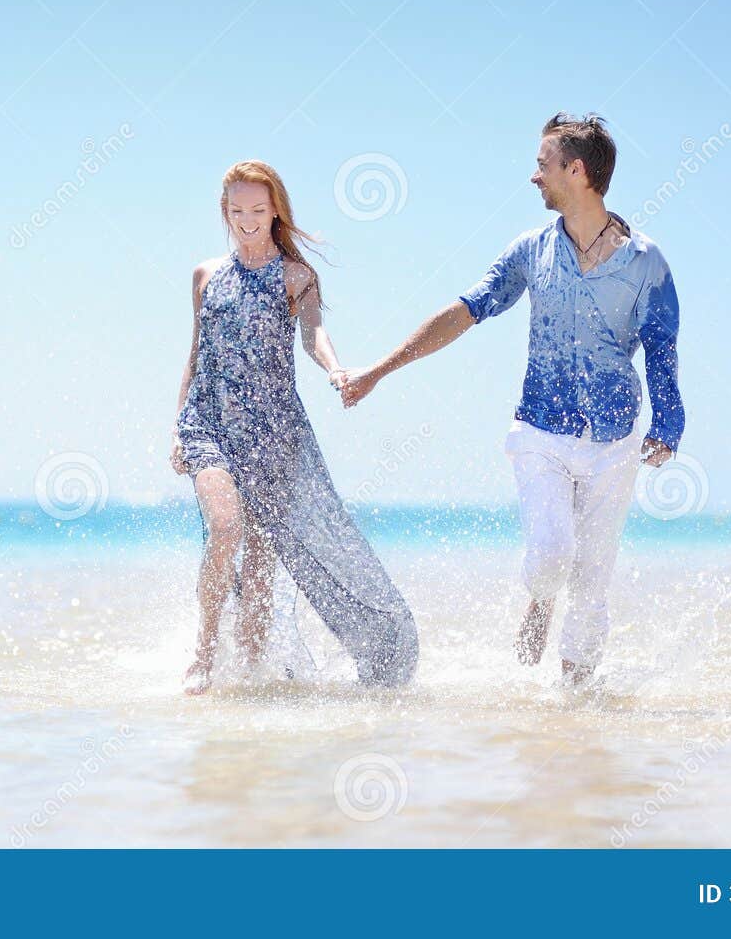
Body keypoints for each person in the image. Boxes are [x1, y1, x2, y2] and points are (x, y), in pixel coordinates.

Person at [340, 114, 684, 687]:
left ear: (576, 171)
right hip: (541, 430)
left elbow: (662, 347)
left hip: (615, 438)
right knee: (551, 557)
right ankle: (540, 599)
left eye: (543, 164)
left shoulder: (646, 262)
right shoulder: (532, 250)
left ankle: (576, 709)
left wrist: (669, 424)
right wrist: (381, 369)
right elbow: (466, 310)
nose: (534, 177)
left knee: (594, 580)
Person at [171, 160, 419, 695]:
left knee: (263, 558)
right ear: (225, 211)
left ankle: (253, 674)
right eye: (236, 210)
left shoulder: (296, 276)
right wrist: (177, 427)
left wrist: (335, 370)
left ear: (275, 210)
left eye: (257, 210)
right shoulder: (204, 276)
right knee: (225, 528)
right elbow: (197, 352)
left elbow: (314, 336)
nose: (247, 220)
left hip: (275, 432)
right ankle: (203, 653)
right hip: (209, 422)